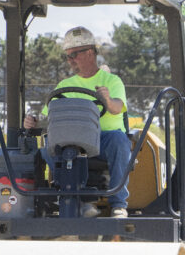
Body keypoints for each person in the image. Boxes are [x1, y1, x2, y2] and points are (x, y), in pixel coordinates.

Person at [23, 26, 129, 218]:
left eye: (74, 55)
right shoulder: (64, 86)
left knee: (120, 141)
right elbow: (48, 119)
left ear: (90, 53)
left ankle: (118, 204)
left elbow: (116, 107)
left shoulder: (112, 81)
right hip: (73, 139)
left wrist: (107, 99)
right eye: (68, 56)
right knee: (48, 147)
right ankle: (73, 198)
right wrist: (33, 122)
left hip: (104, 139)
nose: (70, 60)